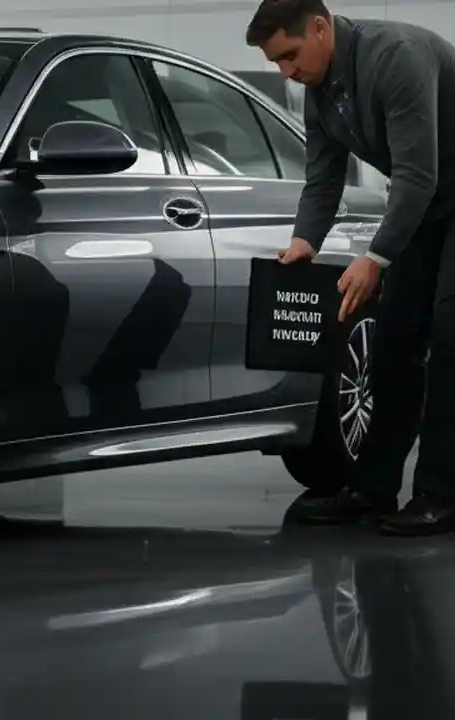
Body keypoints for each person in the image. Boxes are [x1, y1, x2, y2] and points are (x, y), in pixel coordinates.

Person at [246, 0, 455, 535]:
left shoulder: (397, 58)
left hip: (432, 189)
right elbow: (323, 177)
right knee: (393, 338)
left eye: (290, 55)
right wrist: (303, 242)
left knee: (450, 335)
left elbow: (416, 174)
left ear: (320, 27)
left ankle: (440, 494)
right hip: (427, 200)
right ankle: (372, 489)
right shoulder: (319, 89)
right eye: (277, 64)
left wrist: (376, 258)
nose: (286, 72)